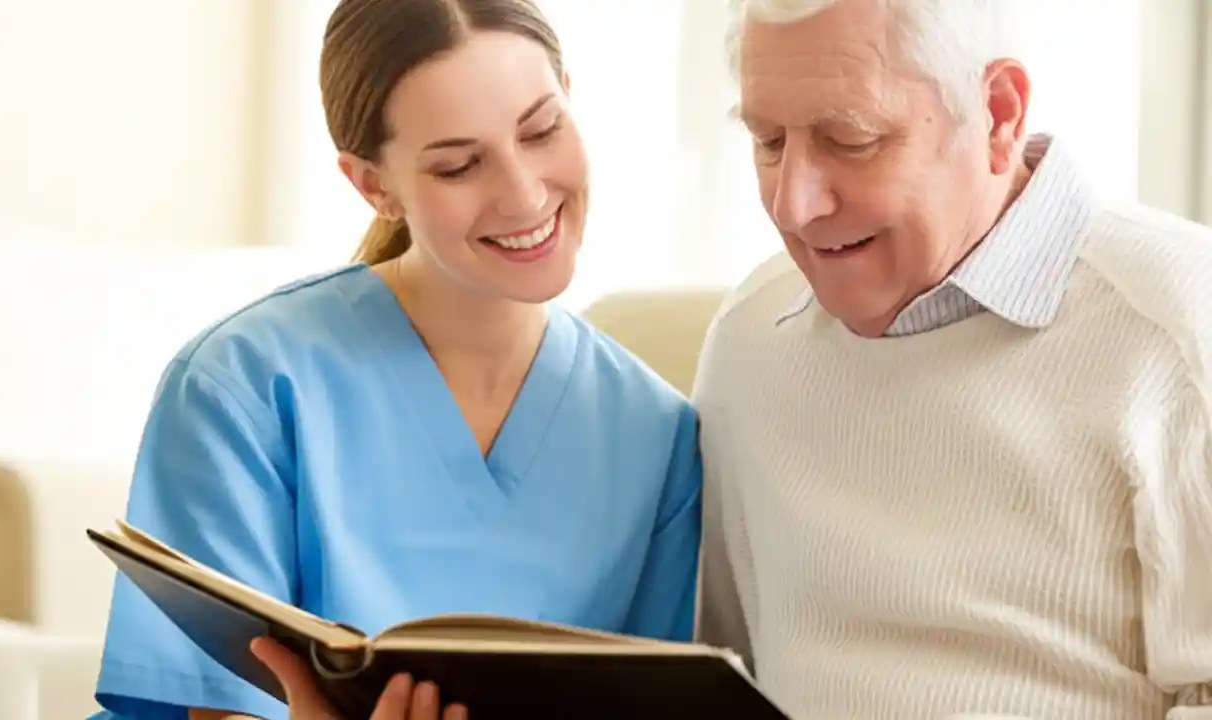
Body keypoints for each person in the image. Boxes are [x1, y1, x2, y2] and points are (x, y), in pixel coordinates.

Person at [88, 0, 702, 718]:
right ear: (373, 185)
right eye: (458, 166)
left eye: (541, 130)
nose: (525, 192)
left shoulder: (655, 437)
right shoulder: (244, 386)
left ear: (570, 92)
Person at [694, 0, 1212, 718]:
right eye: (769, 141)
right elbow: (714, 678)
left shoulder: (1181, 330)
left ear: (998, 114)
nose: (794, 205)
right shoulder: (751, 342)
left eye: (851, 137)